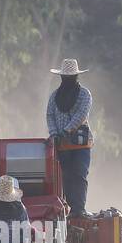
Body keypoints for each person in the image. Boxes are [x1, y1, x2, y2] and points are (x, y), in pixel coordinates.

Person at [46, 58, 92, 216]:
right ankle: (67, 208)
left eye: (70, 77)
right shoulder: (54, 97)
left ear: (76, 77)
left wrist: (66, 131)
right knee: (64, 176)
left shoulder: (85, 94)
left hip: (80, 144)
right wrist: (54, 134)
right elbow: (49, 115)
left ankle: (78, 209)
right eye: (65, 77)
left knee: (79, 174)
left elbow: (81, 115)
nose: (67, 79)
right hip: (60, 144)